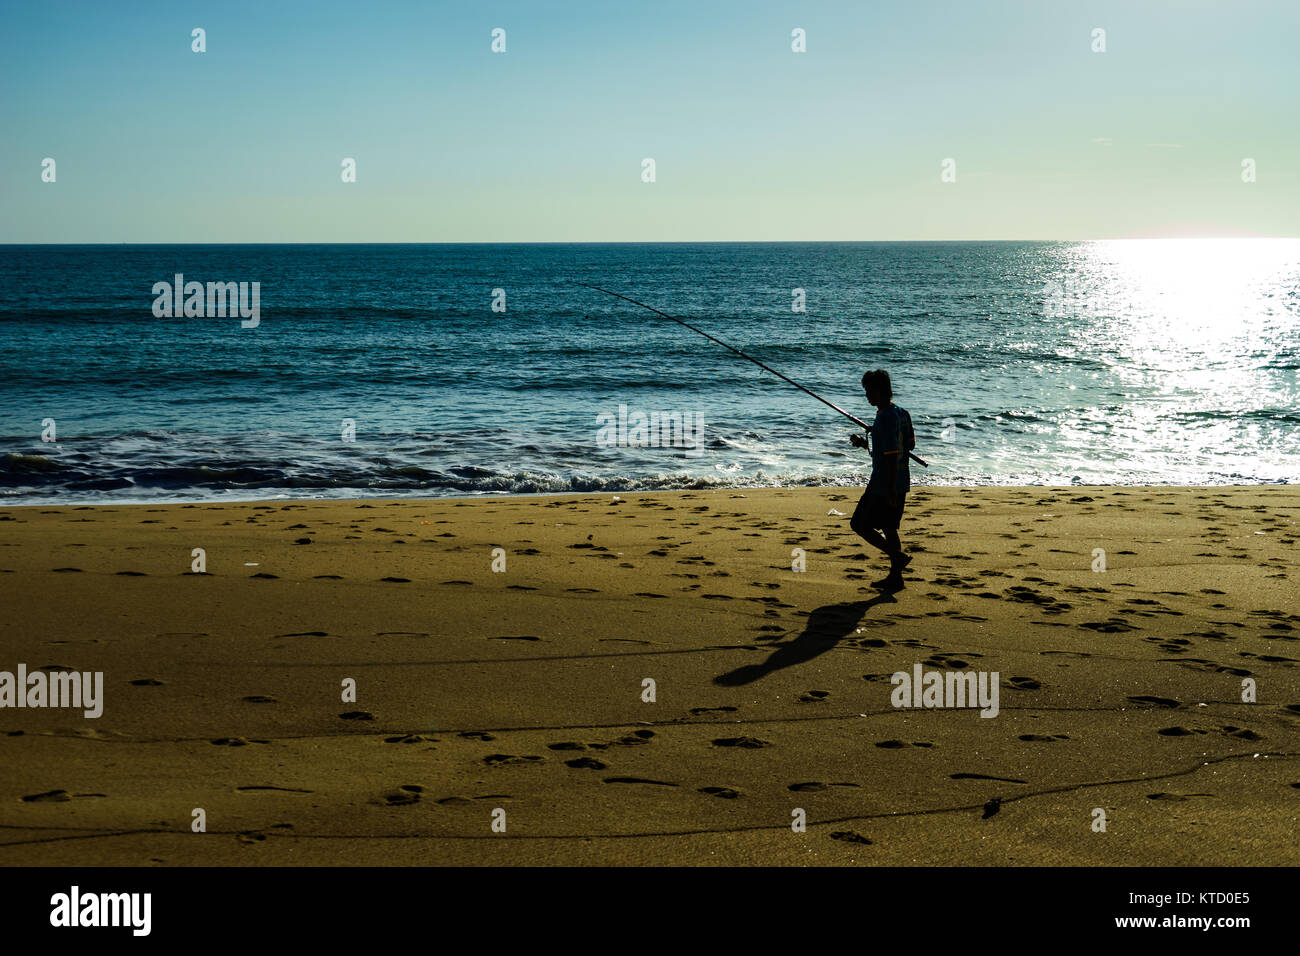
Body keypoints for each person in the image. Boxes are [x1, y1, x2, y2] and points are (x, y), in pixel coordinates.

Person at [849, 369, 915, 591]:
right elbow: (909, 446)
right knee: (889, 527)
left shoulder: (885, 417)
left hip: (883, 483)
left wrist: (888, 491)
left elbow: (891, 456)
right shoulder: (902, 413)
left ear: (881, 390)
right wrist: (867, 441)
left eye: (869, 390)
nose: (867, 395)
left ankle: (897, 557)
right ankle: (896, 578)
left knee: (858, 524)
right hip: (901, 481)